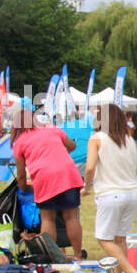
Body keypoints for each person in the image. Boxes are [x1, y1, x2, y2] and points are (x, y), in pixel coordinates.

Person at [11, 106, 85, 259]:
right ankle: (78, 255)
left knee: (47, 218)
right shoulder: (51, 129)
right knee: (71, 217)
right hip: (68, 174)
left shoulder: (20, 142)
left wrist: (24, 189)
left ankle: (51, 255)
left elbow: (20, 175)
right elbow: (72, 145)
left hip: (44, 178)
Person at [83, 103, 137, 273]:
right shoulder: (130, 141)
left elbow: (89, 168)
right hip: (133, 193)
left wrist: (86, 187)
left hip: (110, 194)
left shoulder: (96, 138)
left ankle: (130, 271)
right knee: (121, 238)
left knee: (104, 239)